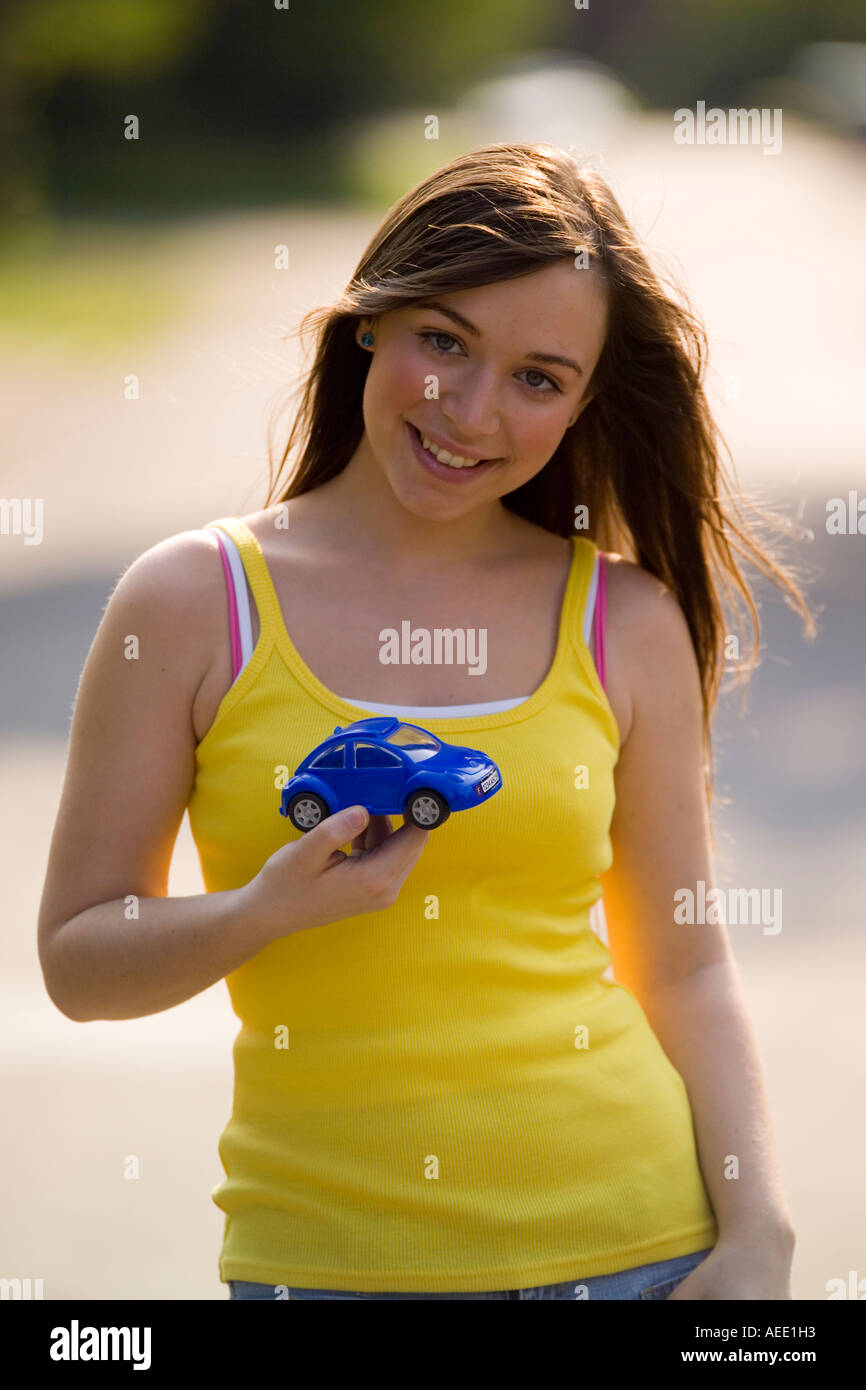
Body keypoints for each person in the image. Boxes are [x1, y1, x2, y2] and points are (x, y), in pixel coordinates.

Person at [37, 142, 811, 1300]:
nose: (470, 410)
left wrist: (758, 1234)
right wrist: (258, 912)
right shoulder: (192, 602)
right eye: (442, 342)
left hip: (639, 1254)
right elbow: (80, 961)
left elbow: (686, 964)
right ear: (367, 326)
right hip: (324, 1267)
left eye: (537, 378)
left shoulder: (624, 620)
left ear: (582, 403)